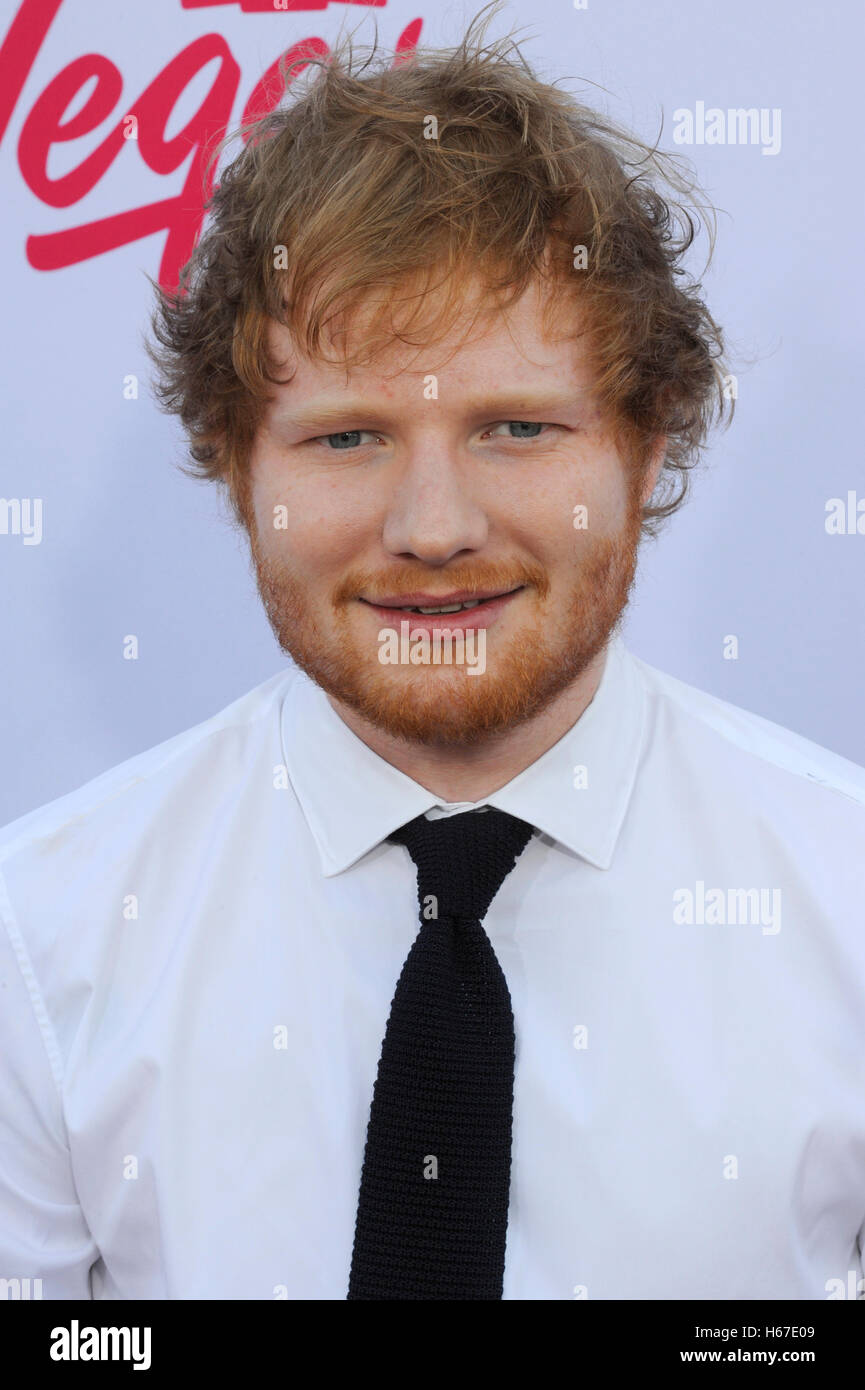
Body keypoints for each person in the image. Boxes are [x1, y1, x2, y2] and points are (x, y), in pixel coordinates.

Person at [1, 8, 863, 1302]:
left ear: (647, 443)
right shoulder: (41, 937)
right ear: (237, 465)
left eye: (514, 427)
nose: (433, 529)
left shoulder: (844, 899)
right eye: (345, 438)